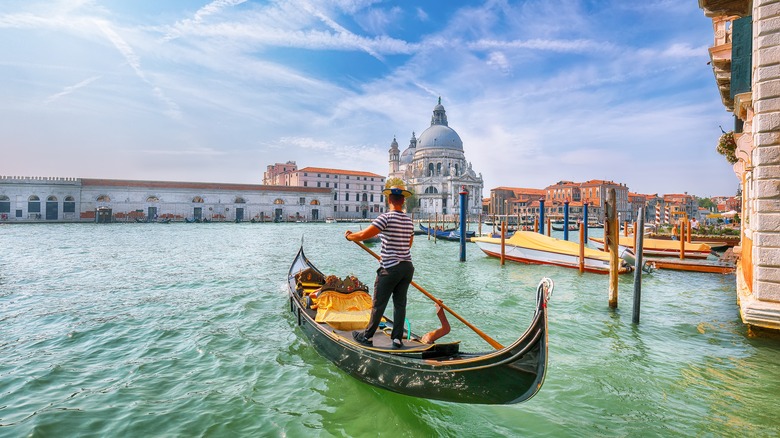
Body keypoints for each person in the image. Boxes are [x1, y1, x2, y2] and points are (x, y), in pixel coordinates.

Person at [345, 184, 415, 349]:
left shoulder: (386, 218)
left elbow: (363, 235)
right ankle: (397, 339)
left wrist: (349, 237)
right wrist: (391, 253)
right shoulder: (409, 220)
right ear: (403, 201)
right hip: (407, 267)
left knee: (378, 303)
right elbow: (409, 244)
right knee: (400, 304)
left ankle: (367, 337)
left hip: (390, 269)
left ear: (389, 200)